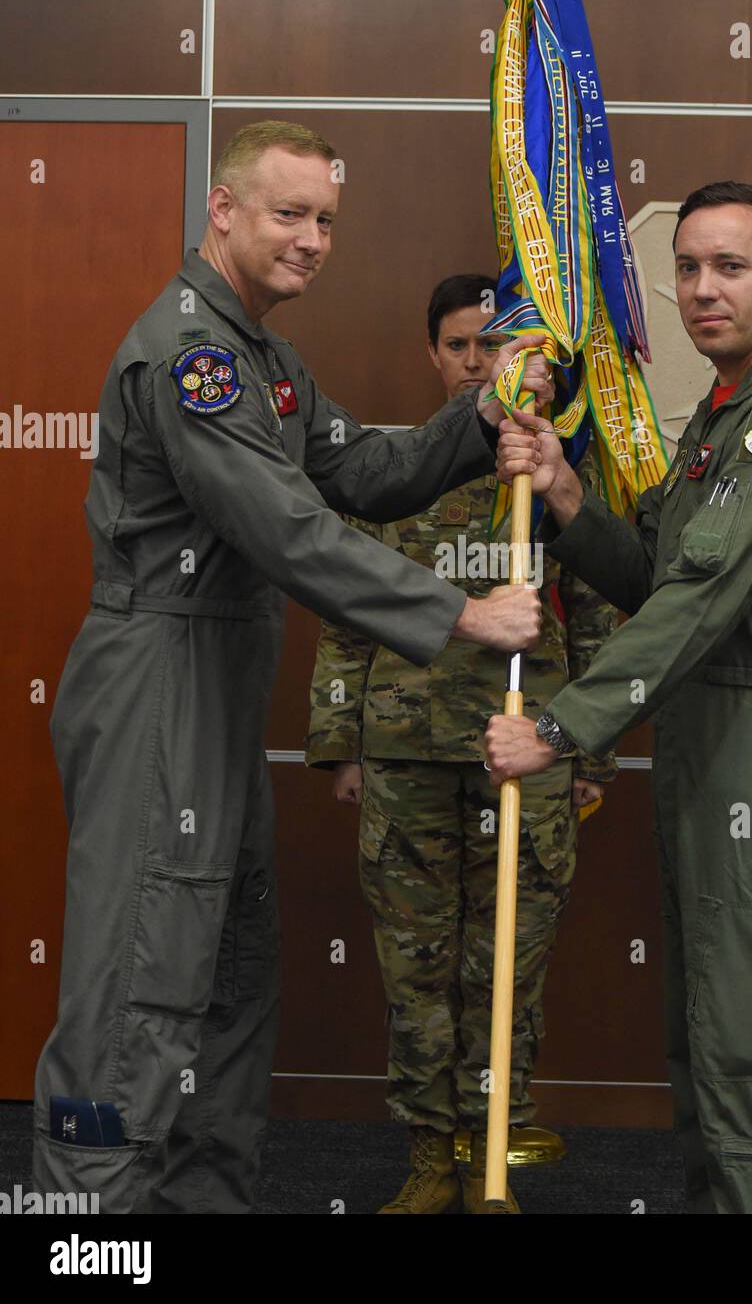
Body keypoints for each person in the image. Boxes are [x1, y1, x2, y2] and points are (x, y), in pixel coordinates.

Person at [33, 121, 555, 1214]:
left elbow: (363, 470)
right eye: (288, 214)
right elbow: (281, 527)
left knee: (226, 968)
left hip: (219, 676)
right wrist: (459, 611)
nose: (313, 239)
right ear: (221, 210)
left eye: (326, 219)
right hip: (158, 672)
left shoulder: (266, 356)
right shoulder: (196, 352)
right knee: (141, 979)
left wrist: (484, 411)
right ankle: (88, 1228)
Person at [486, 181, 752, 1215]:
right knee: (711, 1029)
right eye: (690, 268)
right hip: (712, 738)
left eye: (731, 268)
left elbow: (700, 602)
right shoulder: (722, 414)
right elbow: (657, 571)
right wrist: (568, 498)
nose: (702, 290)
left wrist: (559, 727)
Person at [306, 274, 618, 1214]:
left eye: (498, 345)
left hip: (523, 756)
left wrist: (590, 753)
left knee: (504, 971)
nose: (479, 363)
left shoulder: (556, 471)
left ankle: (492, 1159)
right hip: (405, 758)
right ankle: (428, 1158)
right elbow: (344, 616)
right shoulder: (390, 471)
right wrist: (342, 745)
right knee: (416, 969)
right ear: (433, 354)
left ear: (529, 358)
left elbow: (603, 617)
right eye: (460, 346)